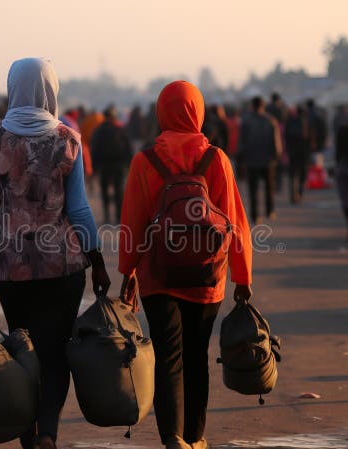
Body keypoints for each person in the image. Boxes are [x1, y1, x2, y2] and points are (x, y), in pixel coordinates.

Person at [0, 58, 110, 449]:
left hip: (8, 267)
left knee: (20, 347)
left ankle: (28, 438)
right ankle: (48, 432)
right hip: (62, 264)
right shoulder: (68, 139)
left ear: (13, 88)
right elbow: (79, 209)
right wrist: (97, 263)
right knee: (55, 352)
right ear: (49, 90)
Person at [119, 80, 252, 449]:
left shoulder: (145, 160)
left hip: (158, 275)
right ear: (198, 111)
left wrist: (128, 270)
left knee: (168, 356)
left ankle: (172, 437)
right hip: (208, 276)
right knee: (196, 356)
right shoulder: (216, 159)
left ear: (162, 112)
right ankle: (196, 437)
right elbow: (234, 221)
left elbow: (133, 221)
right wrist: (242, 276)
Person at [238, 96, 284, 222]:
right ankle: (270, 211)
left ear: (252, 106)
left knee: (253, 189)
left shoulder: (246, 121)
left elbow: (242, 142)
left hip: (251, 160)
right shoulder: (271, 120)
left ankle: (255, 215)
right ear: (263, 106)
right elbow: (276, 140)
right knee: (269, 187)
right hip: (268, 160)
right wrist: (277, 155)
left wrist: (242, 157)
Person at [91, 105, 133, 223]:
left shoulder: (99, 130)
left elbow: (95, 149)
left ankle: (107, 215)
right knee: (118, 191)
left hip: (105, 164)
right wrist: (129, 164)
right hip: (118, 165)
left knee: (105, 190)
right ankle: (118, 216)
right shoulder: (119, 128)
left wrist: (94, 166)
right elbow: (128, 148)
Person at [285, 104, 310, 204]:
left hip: (292, 151)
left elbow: (286, 136)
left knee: (292, 175)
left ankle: (292, 195)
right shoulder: (305, 122)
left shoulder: (289, 121)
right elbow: (308, 138)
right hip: (303, 152)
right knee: (302, 173)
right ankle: (299, 192)